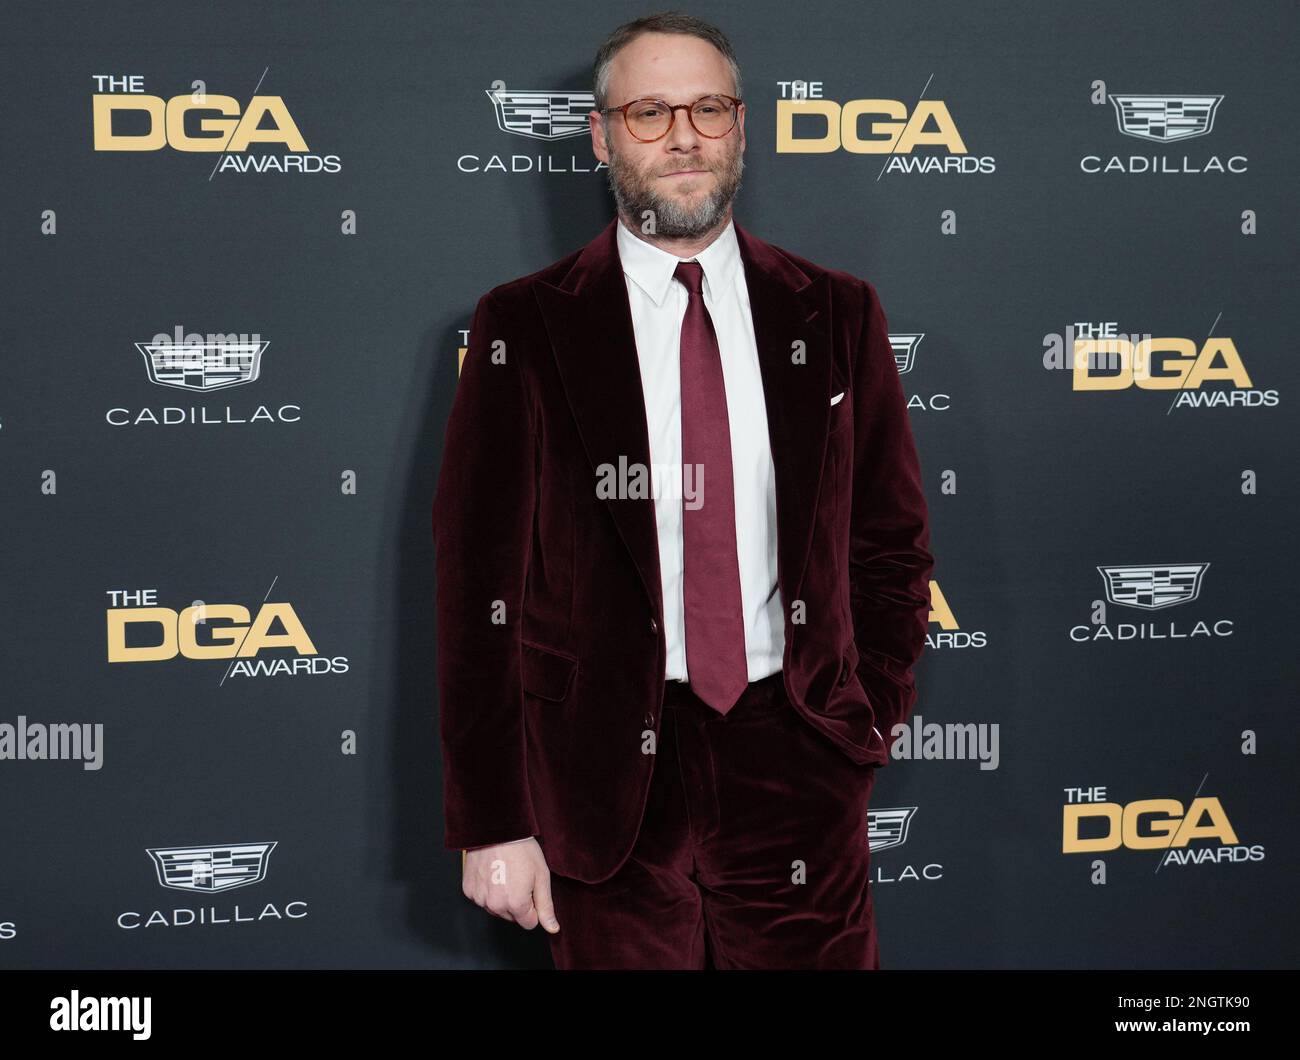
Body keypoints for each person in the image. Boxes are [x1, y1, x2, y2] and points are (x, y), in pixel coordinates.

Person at [431, 11, 934, 969]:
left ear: (742, 126)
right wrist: (494, 820)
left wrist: (858, 717)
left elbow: (890, 545)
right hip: (599, 776)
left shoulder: (836, 313)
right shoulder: (525, 326)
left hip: (795, 759)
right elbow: (476, 591)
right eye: (650, 112)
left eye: (707, 107)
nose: (684, 136)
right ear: (601, 134)